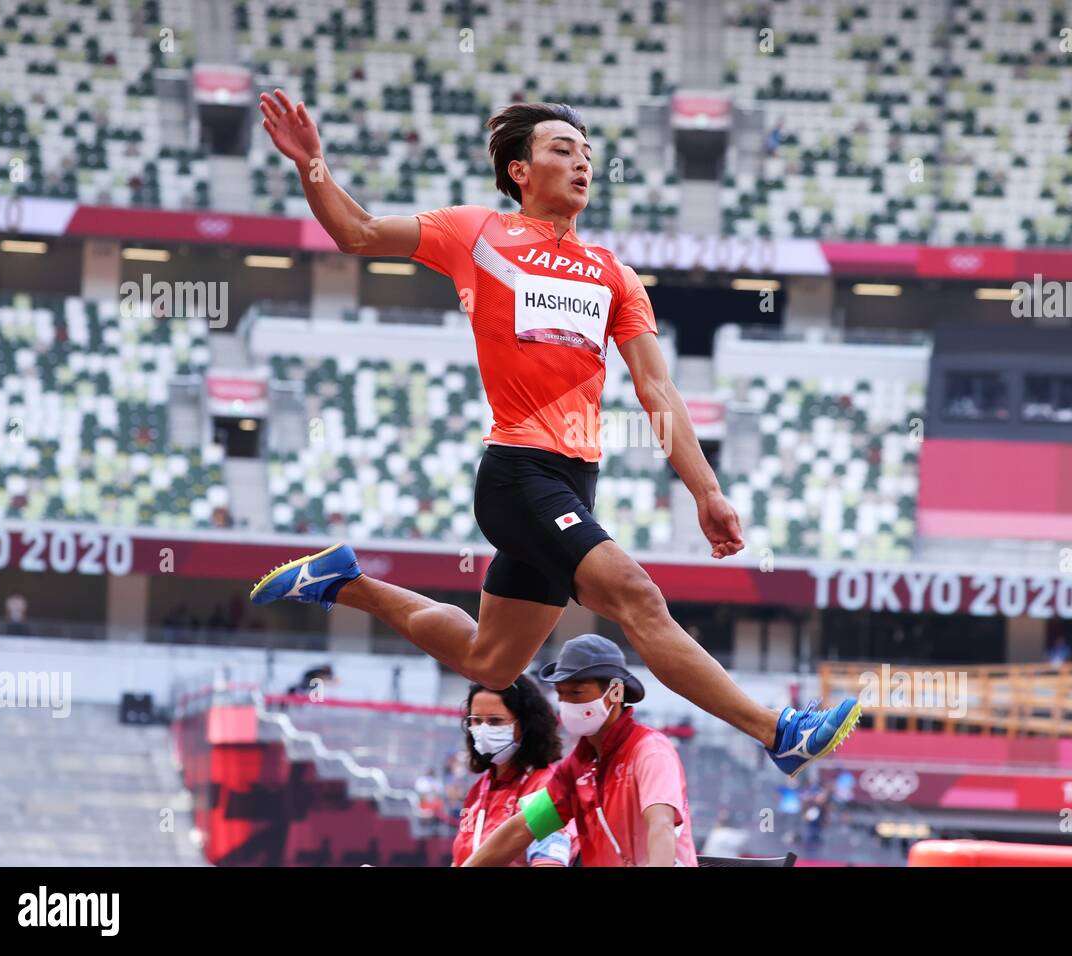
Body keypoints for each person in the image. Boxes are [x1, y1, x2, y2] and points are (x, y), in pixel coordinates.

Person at [249, 93, 861, 776]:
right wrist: (313, 166)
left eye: (588, 155)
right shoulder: (476, 233)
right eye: (561, 151)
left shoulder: (614, 274)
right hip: (518, 474)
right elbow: (358, 233)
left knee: (491, 660)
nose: (580, 165)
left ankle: (346, 583)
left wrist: (707, 491)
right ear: (519, 170)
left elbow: (657, 391)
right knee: (637, 597)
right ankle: (778, 730)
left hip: (575, 481)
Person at [462, 635, 696, 867]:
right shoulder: (576, 769)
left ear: (615, 692)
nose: (567, 704)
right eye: (561, 694)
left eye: (576, 693)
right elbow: (521, 829)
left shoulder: (650, 751)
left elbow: (661, 825)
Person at [451, 675, 573, 867]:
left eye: (495, 721)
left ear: (526, 725)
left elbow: (550, 863)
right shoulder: (478, 790)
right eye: (476, 721)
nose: (483, 730)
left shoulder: (547, 788)